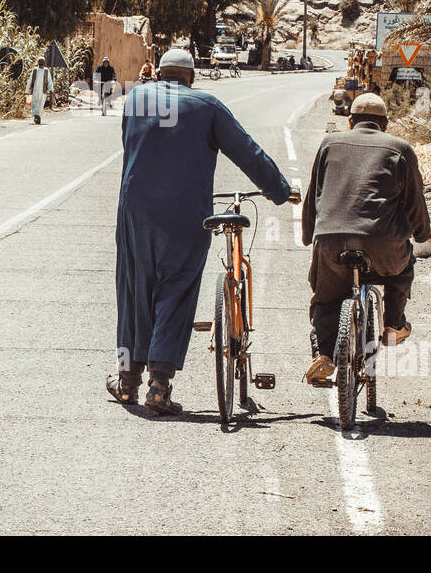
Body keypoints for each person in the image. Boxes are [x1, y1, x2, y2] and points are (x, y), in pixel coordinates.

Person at [108, 48, 297, 414]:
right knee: (176, 290)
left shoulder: (137, 98)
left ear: (159, 73)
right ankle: (159, 385)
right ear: (191, 78)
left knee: (134, 288)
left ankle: (127, 380)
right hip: (185, 215)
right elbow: (248, 152)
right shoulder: (206, 105)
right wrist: (279, 190)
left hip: (136, 211)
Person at [301, 92, 431, 386]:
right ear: (385, 123)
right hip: (382, 245)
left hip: (331, 240)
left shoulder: (329, 143)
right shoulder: (401, 149)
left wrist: (309, 235)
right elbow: (415, 202)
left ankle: (323, 355)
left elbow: (314, 196)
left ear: (350, 121)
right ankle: (392, 325)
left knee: (326, 296)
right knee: (403, 267)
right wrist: (424, 234)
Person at [26, 56, 52, 124]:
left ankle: (37, 116)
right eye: (40, 63)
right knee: (34, 103)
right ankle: (36, 116)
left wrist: (51, 89)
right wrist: (27, 91)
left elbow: (49, 81)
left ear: (44, 63)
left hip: (43, 90)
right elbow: (30, 80)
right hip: (35, 90)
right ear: (38, 63)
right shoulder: (34, 70)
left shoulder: (46, 70)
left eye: (42, 63)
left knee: (40, 104)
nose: (41, 64)